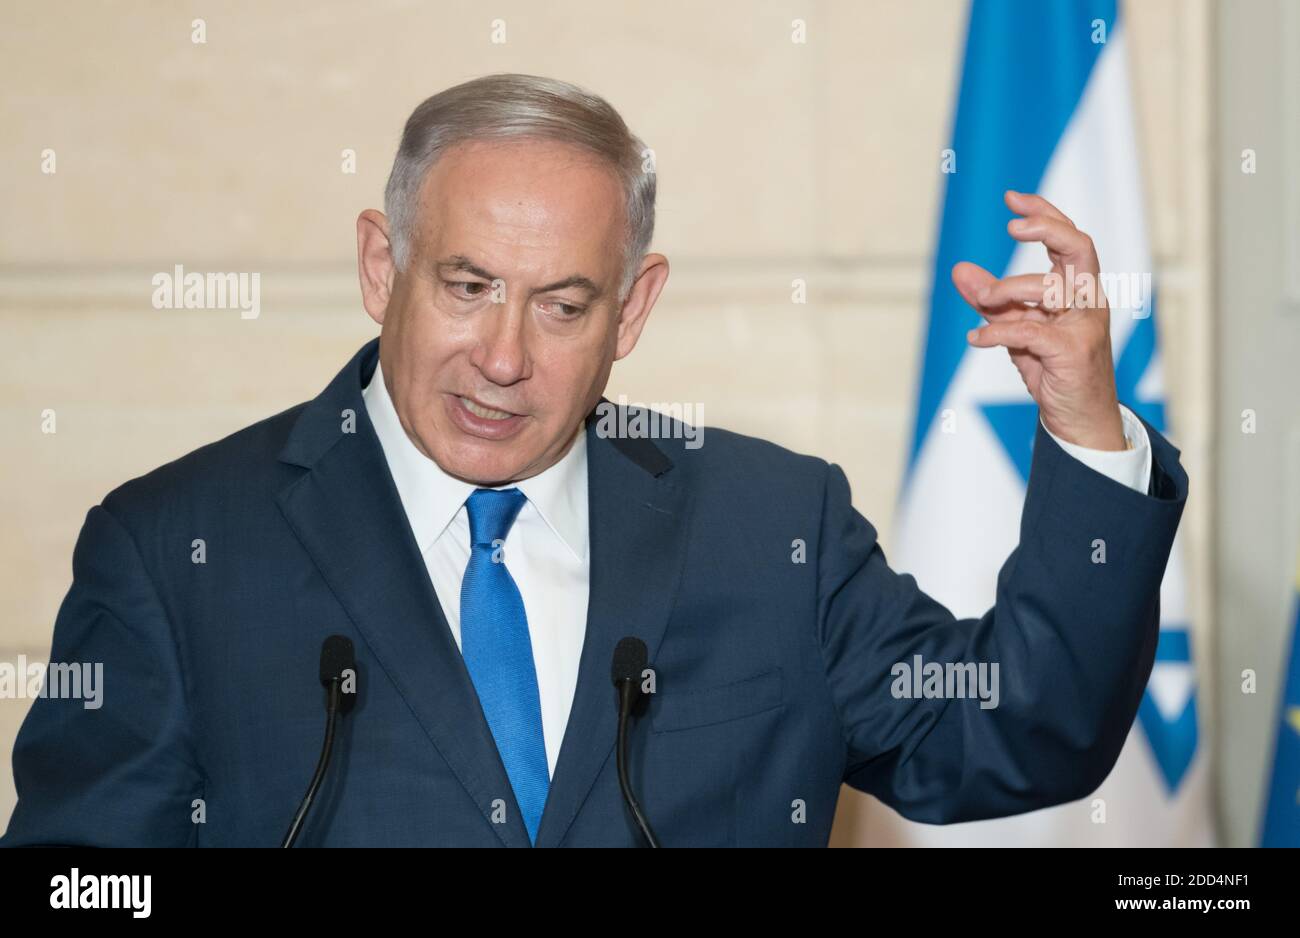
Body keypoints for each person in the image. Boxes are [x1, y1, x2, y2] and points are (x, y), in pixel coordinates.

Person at [1, 74, 1185, 847]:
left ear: (632, 312)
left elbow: (1023, 727)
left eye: (563, 306)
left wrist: (1086, 426)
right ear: (381, 267)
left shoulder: (769, 526)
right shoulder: (177, 549)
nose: (503, 356)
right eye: (467, 288)